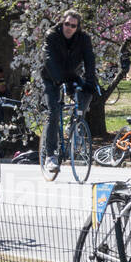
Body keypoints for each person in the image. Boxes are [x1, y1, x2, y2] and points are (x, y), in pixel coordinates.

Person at [40, 9, 98, 174]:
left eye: (73, 26)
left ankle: (76, 122)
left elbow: (90, 59)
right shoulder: (52, 35)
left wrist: (90, 81)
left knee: (88, 92)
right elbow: (48, 59)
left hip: (72, 74)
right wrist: (59, 80)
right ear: (62, 22)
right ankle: (50, 156)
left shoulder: (83, 39)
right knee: (54, 112)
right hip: (51, 77)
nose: (69, 28)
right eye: (67, 24)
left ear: (77, 27)